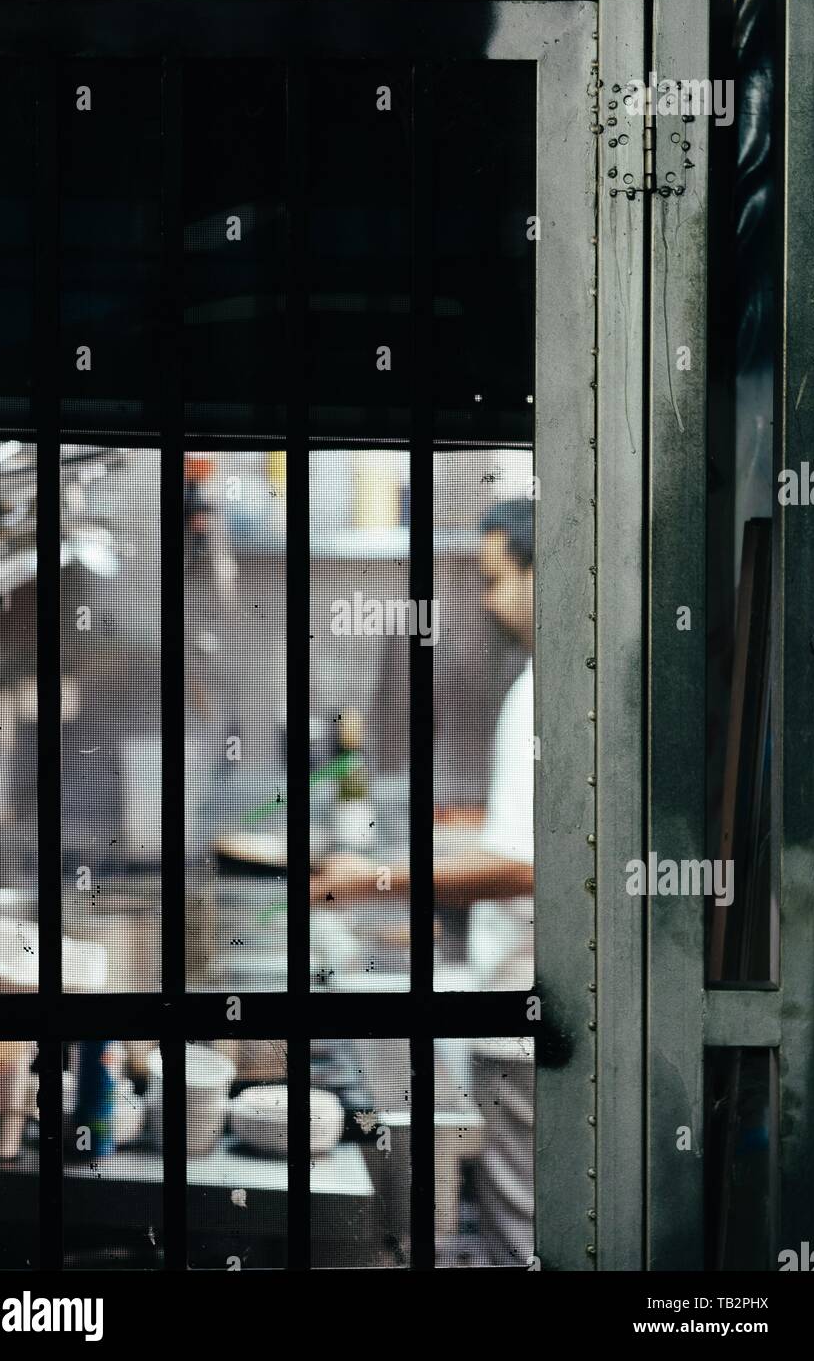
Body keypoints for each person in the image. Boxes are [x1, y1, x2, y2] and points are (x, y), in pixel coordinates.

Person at [310, 496, 537, 1266]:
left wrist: (375, 878)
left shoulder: (541, 694)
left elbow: (526, 869)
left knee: (521, 1240)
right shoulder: (549, 683)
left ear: (549, 575)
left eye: (497, 577)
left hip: (528, 1021)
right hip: (520, 1010)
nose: (488, 597)